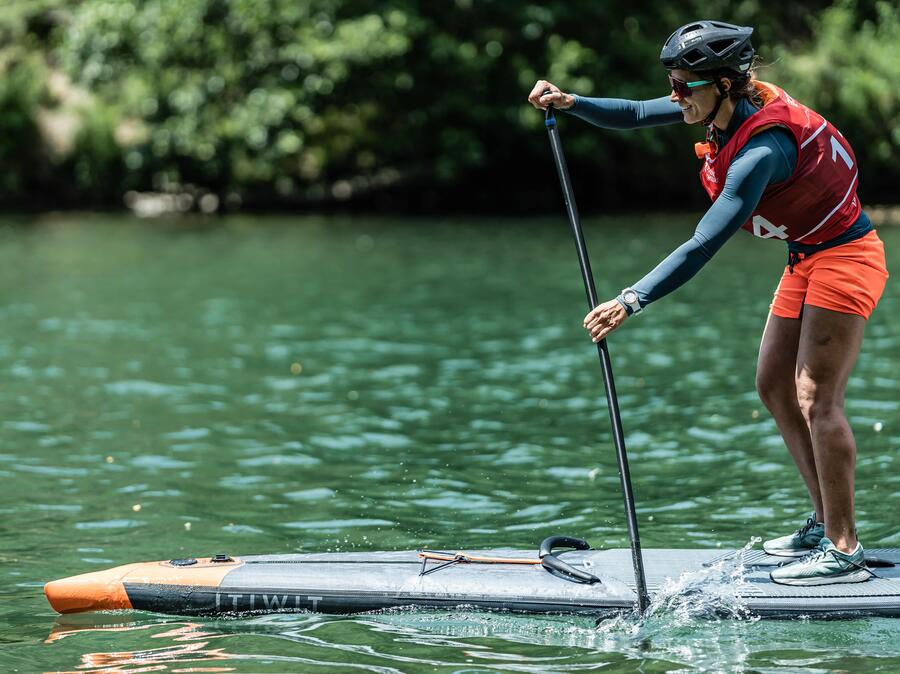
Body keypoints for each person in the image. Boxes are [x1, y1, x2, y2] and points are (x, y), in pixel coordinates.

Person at [528, 20, 888, 586]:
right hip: (805, 254)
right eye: (672, 83)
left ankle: (844, 549)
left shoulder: (762, 150)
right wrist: (572, 102)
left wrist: (631, 299)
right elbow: (635, 114)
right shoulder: (715, 106)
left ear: (724, 82)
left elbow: (703, 244)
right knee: (772, 384)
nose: (674, 96)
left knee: (817, 398)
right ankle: (822, 524)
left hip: (846, 258)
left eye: (683, 86)